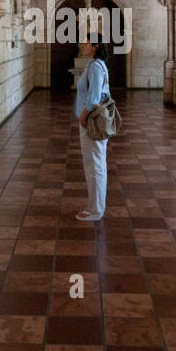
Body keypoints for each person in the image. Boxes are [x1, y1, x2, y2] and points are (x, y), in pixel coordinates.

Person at [74, 34, 110, 221]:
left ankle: (96, 211)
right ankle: (95, 205)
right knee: (96, 163)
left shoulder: (95, 67)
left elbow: (95, 97)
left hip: (91, 121)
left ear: (95, 46)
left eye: (86, 42)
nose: (82, 44)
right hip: (92, 120)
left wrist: (84, 115)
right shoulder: (94, 64)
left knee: (94, 165)